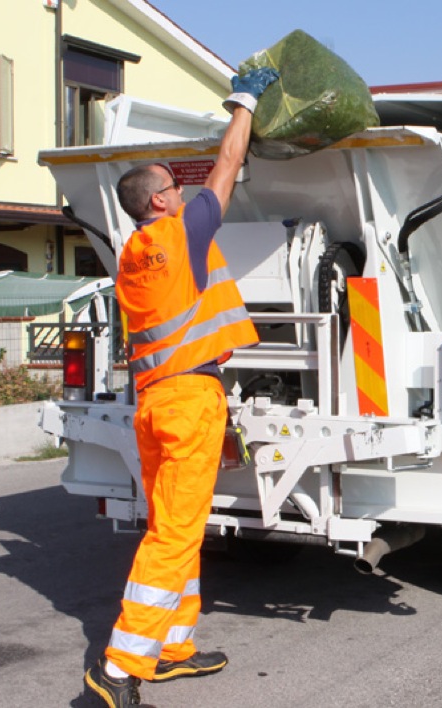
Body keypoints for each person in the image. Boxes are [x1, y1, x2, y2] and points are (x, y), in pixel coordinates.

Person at [83, 66, 280, 708]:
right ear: (162, 202)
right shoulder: (182, 233)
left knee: (176, 525)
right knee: (173, 534)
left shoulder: (134, 255)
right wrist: (244, 101)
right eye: (175, 183)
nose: (185, 188)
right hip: (190, 401)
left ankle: (172, 647)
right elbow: (228, 160)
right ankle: (120, 667)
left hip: (156, 404)